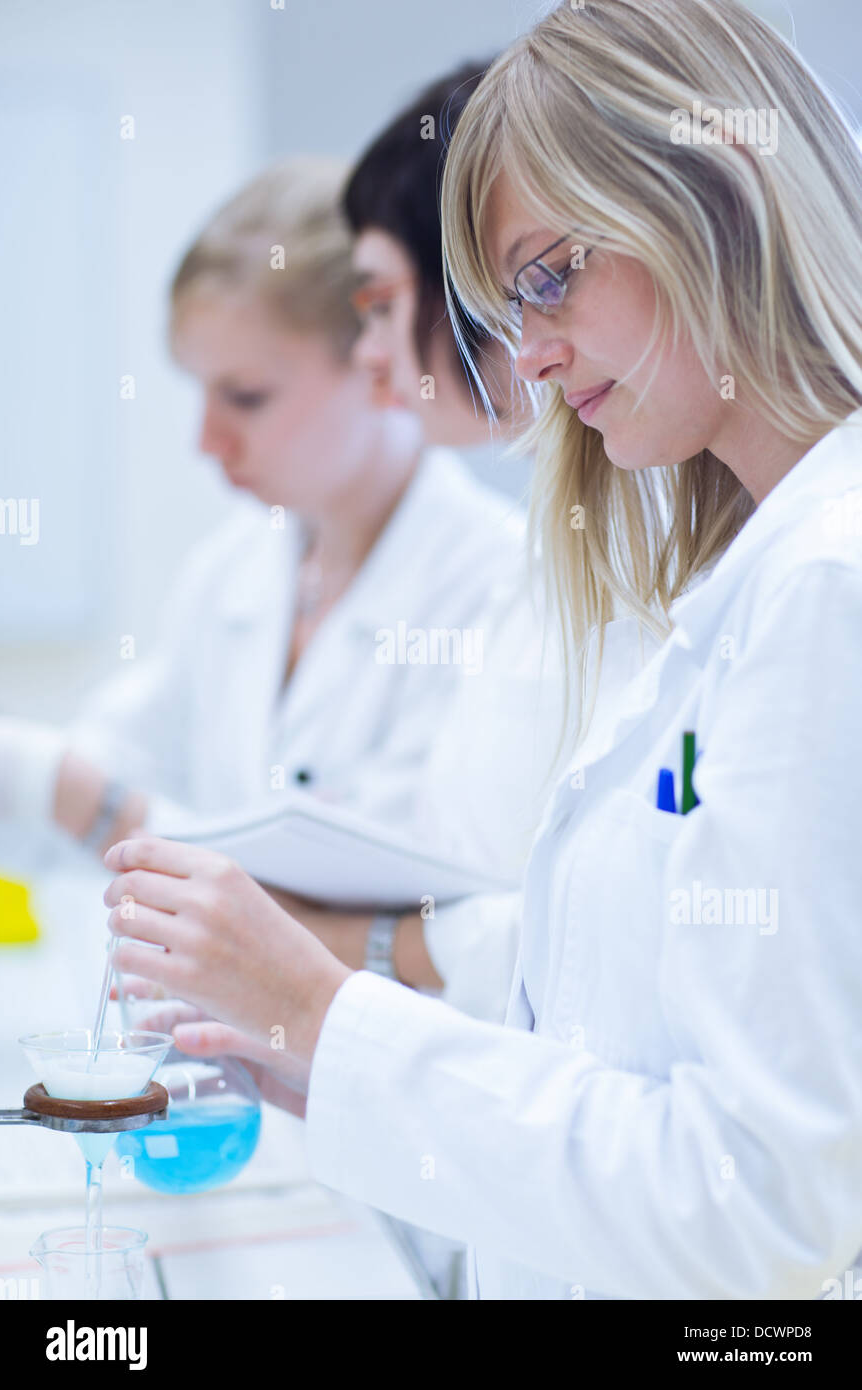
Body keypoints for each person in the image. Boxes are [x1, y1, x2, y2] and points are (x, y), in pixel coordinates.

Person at [103, 0, 862, 1299]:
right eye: (511, 303)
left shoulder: (823, 590)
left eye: (552, 274)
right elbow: (618, 1018)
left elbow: (756, 1203)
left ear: (713, 195)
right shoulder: (742, 584)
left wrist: (331, 1018)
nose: (530, 353)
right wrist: (329, 1032)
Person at [0, 155, 524, 868]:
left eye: (245, 397)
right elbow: (110, 765)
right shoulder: (234, 572)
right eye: (202, 394)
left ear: (378, 357)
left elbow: (366, 897)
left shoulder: (496, 587)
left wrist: (76, 794)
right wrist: (39, 784)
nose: (207, 442)